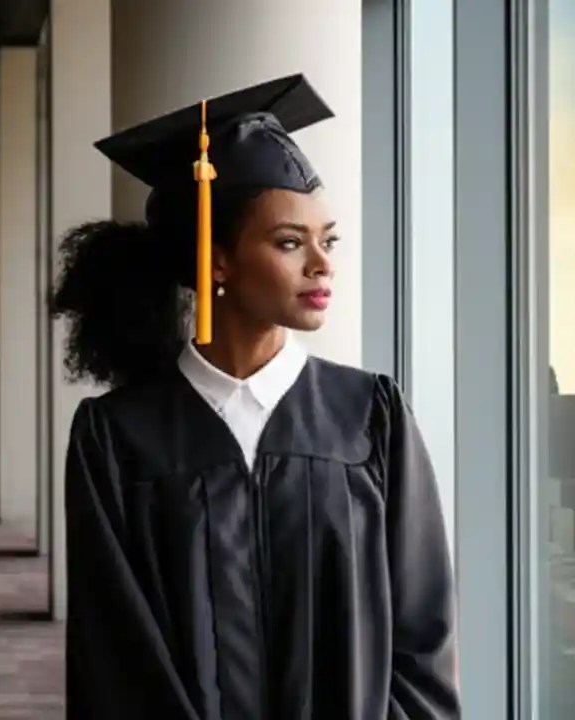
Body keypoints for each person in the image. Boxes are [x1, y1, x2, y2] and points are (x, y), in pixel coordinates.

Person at [51, 75, 459, 719]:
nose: (321, 264)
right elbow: (112, 654)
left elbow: (422, 637)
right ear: (218, 260)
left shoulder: (369, 416)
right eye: (290, 242)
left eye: (328, 240)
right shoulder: (117, 435)